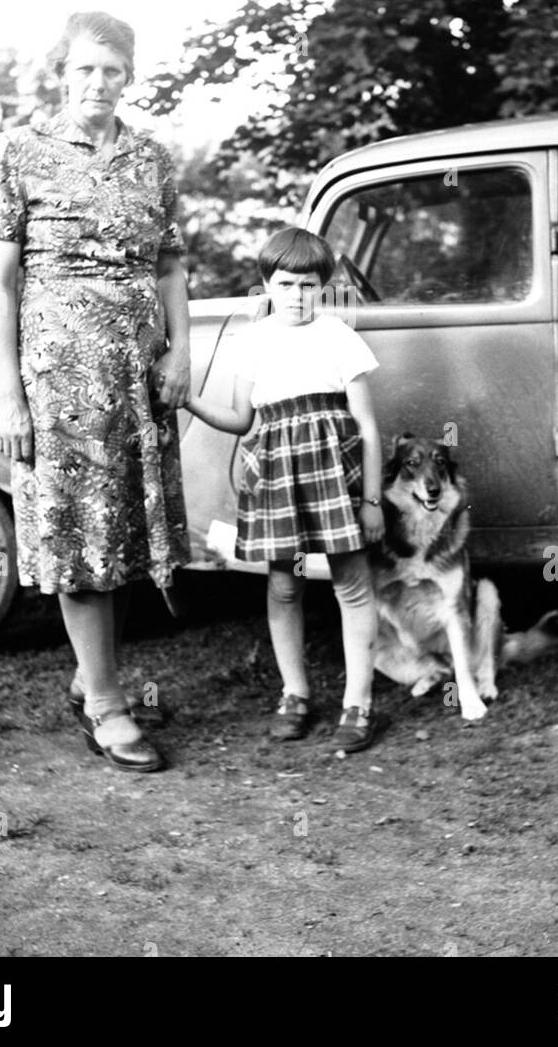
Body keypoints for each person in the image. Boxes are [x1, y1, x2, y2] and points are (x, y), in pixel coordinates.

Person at [0, 11, 191, 774]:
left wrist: (181, 350)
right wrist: (9, 396)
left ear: (130, 75)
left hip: (137, 372)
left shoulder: (151, 158)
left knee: (126, 529)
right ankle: (105, 704)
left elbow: (169, 265)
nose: (97, 84)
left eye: (111, 71)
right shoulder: (18, 150)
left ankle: (88, 678)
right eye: (83, 70)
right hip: (58, 378)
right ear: (61, 74)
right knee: (79, 536)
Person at [185, 227, 385, 753]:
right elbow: (239, 419)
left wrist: (371, 501)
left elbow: (367, 426)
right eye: (286, 284)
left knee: (352, 584)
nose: (298, 296)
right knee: (285, 585)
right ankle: (295, 693)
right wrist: (186, 401)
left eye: (309, 285)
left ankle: (358, 702)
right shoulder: (253, 340)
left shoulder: (338, 336)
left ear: (324, 287)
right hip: (277, 475)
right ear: (267, 283)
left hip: (332, 476)